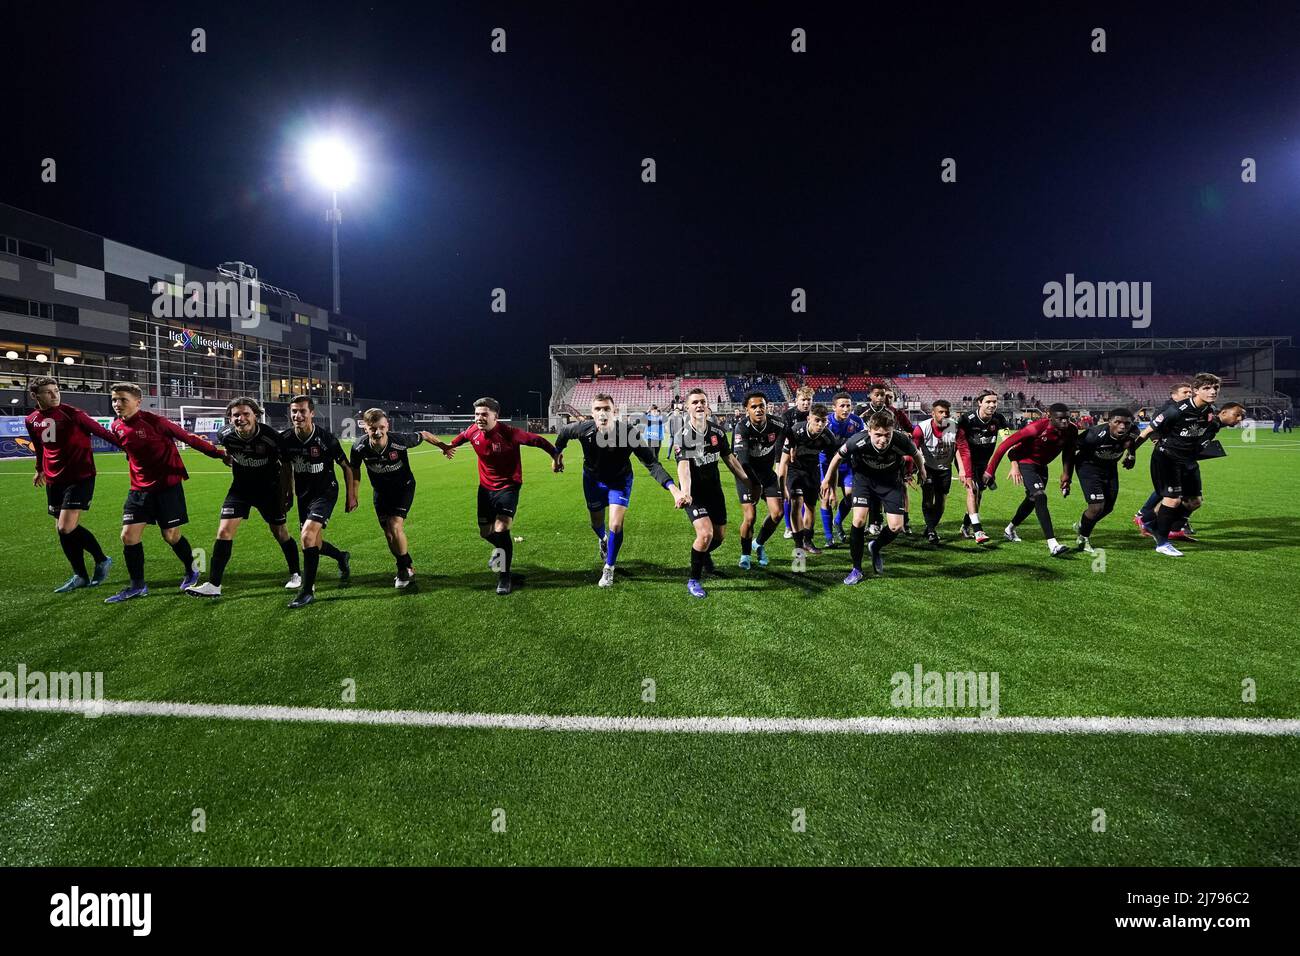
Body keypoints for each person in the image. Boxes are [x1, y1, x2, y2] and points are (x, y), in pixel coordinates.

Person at [103, 382, 229, 603]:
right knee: (128, 536)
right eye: (114, 399)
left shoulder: (155, 422)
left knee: (170, 536)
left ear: (137, 402)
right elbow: (129, 449)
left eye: (123, 399)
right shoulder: (116, 426)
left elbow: (189, 439)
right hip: (138, 490)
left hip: (167, 487)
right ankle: (137, 586)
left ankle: (192, 569)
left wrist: (219, 454)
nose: (117, 404)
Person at [426, 397, 559, 594]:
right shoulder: (473, 431)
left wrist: (555, 456)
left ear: (495, 416)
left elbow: (537, 440)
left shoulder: (509, 433)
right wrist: (447, 447)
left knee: (502, 527)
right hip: (485, 489)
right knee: (485, 532)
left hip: (508, 486)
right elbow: (460, 438)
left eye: (484, 414)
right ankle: (501, 552)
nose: (479, 418)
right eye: (477, 414)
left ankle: (504, 576)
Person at [553, 393, 687, 587]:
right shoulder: (583, 429)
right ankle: (603, 539)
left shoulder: (628, 433)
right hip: (592, 480)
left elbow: (651, 463)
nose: (602, 413)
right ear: (591, 413)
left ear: (614, 412)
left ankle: (609, 567)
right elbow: (564, 434)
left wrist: (674, 489)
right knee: (596, 522)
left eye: (606, 408)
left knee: (615, 524)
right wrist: (557, 458)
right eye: (598, 409)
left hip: (620, 481)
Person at [184, 396, 299, 598]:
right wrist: (228, 459)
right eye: (236, 415)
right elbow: (229, 454)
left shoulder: (271, 437)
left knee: (280, 532)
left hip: (269, 491)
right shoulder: (225, 434)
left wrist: (289, 491)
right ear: (230, 417)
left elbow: (287, 465)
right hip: (240, 490)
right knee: (224, 531)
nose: (241, 418)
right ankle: (214, 584)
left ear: (256, 415)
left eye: (246, 414)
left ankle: (296, 574)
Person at [24, 376, 120, 592]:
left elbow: (104, 433)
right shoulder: (31, 420)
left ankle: (102, 559)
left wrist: (132, 450)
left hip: (80, 476)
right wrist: (39, 469)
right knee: (62, 530)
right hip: (54, 478)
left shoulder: (73, 413)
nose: (54, 394)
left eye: (56, 389)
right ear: (35, 396)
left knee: (65, 526)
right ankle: (80, 575)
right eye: (48, 392)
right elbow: (40, 447)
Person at [673, 387, 760, 598]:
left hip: (714, 491)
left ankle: (702, 556)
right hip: (694, 494)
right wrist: (685, 492)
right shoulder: (683, 436)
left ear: (708, 406)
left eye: (702, 401)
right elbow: (684, 467)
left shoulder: (717, 432)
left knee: (719, 537)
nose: (699, 405)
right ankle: (694, 579)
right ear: (687, 408)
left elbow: (730, 460)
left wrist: (749, 483)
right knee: (705, 534)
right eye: (694, 402)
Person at [820, 411, 927, 582]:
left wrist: (921, 470)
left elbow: (916, 454)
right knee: (859, 520)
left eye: (887, 435)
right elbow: (837, 457)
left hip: (891, 483)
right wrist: (827, 480)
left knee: (896, 527)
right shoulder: (857, 440)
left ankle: (875, 546)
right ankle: (857, 569)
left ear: (893, 431)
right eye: (878, 435)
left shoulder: (901, 440)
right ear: (869, 431)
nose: (883, 440)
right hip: (864, 481)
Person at [1129, 375, 1226, 556]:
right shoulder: (1176, 410)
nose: (1213, 391)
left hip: (1188, 460)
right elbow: (1149, 430)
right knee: (1172, 499)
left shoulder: (1209, 411)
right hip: (1167, 458)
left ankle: (1148, 520)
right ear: (1196, 390)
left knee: (1194, 501)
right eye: (1207, 388)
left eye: (1215, 388)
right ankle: (1162, 542)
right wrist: (1131, 452)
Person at [280, 395, 358, 608]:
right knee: (315, 543)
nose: (298, 415)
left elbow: (347, 467)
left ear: (312, 413)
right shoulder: (286, 439)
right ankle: (341, 557)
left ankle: (307, 591)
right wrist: (288, 493)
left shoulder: (326, 438)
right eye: (294, 411)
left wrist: (351, 495)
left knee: (306, 536)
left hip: (325, 493)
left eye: (302, 411)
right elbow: (286, 468)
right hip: (303, 495)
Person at [349, 408, 440, 588]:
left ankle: (403, 569)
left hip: (403, 488)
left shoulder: (399, 440)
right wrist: (353, 495)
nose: (378, 432)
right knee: (389, 535)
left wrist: (443, 447)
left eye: (381, 427)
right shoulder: (359, 447)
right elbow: (355, 470)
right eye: (373, 428)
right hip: (381, 492)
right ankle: (406, 564)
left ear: (387, 426)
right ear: (365, 428)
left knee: (394, 525)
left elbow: (424, 434)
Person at [982, 402, 1077, 556]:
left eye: (1068, 418)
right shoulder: (1036, 428)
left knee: (1033, 500)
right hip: (1026, 462)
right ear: (1049, 416)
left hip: (1042, 466)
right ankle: (1053, 544)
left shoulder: (1071, 430)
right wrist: (990, 471)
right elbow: (1004, 446)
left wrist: (1067, 476)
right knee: (1040, 496)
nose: (1065, 422)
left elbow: (1069, 453)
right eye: (1060, 419)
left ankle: (1009, 529)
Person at [731, 391, 787, 570]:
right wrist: (755, 485)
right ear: (746, 409)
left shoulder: (777, 423)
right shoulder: (741, 428)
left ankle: (758, 543)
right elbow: (744, 462)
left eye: (761, 405)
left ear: (767, 406)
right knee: (750, 517)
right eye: (753, 406)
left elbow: (789, 436)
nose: (758, 409)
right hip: (747, 476)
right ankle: (745, 554)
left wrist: (790, 450)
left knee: (778, 513)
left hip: (767, 474)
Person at [1071, 407, 1138, 553]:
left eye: (1126, 423)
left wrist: (1131, 456)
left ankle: (1082, 524)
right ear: (1109, 422)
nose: (1122, 426)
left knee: (1108, 508)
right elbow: (1071, 450)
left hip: (1110, 468)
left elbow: (1131, 442)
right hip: (1088, 468)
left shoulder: (1133, 430)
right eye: (1117, 422)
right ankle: (1083, 538)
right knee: (1096, 507)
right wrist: (1066, 476)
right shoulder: (1094, 434)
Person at [777, 403, 838, 559]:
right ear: (809, 418)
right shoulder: (796, 431)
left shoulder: (828, 437)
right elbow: (783, 461)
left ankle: (807, 541)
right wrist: (782, 486)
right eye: (817, 420)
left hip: (812, 470)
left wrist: (832, 489)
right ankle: (798, 546)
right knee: (797, 502)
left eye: (823, 421)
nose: (820, 425)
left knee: (810, 507)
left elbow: (834, 464)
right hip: (794, 469)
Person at [1134, 382, 1194, 537]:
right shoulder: (1168, 409)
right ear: (1174, 395)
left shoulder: (1191, 408)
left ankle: (1149, 516)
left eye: (1190, 392)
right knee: (1170, 489)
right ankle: (1148, 518)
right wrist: (1156, 441)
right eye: (1185, 392)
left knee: (1172, 488)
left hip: (1182, 453)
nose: (1189, 394)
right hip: (1167, 453)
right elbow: (1152, 428)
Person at [954, 391, 1008, 544]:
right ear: (979, 402)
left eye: (994, 402)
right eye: (988, 402)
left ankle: (965, 526)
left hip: (984, 462)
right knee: (973, 490)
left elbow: (1006, 440)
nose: (992, 405)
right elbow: (957, 446)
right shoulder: (966, 419)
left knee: (979, 495)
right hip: (967, 461)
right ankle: (978, 530)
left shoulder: (999, 419)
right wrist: (963, 470)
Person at [820, 392, 864, 546]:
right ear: (834, 408)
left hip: (848, 466)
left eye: (848, 406)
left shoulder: (857, 422)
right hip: (827, 465)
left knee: (850, 496)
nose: (846, 409)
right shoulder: (826, 423)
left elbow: (861, 444)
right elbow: (823, 452)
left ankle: (837, 522)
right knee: (826, 498)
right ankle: (828, 537)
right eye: (842, 406)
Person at [912, 400, 959, 545]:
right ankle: (932, 532)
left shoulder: (950, 426)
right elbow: (913, 451)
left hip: (945, 469)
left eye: (946, 412)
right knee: (927, 500)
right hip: (928, 469)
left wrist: (961, 470)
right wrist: (918, 469)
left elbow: (957, 449)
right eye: (941, 412)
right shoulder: (922, 428)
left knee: (940, 504)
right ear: (933, 413)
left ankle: (929, 527)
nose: (944, 415)